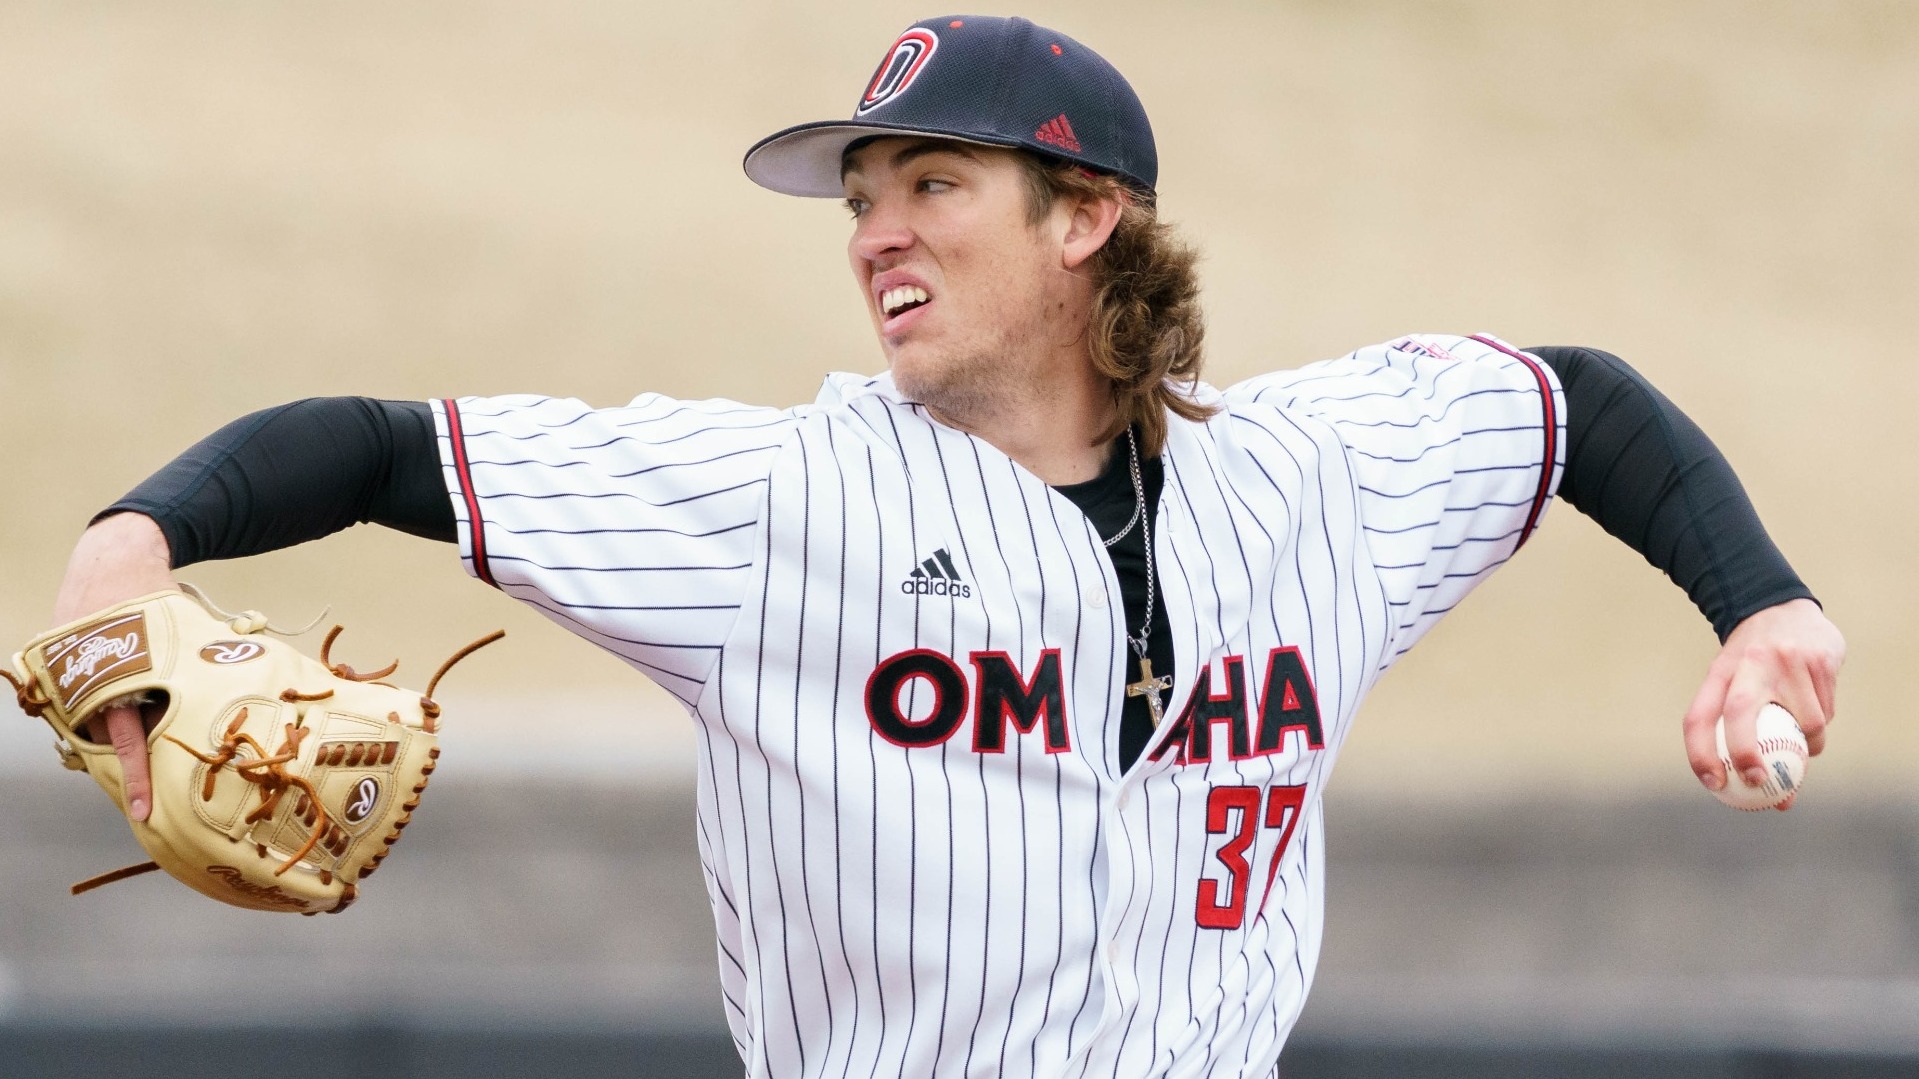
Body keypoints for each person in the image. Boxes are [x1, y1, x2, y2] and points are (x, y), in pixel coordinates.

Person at [46, 14, 1843, 1077]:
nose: (876, 233)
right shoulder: (776, 509)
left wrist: (1759, 605)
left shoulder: (1319, 479)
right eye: (862, 197)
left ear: (1090, 218)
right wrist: (133, 545)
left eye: (933, 185)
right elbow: (379, 446)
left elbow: (1574, 405)